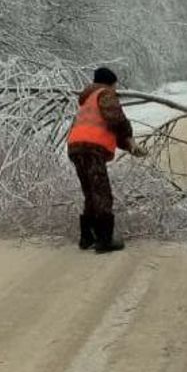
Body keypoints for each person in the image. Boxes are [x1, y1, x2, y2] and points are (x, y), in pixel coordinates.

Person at [67, 67, 147, 253]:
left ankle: (87, 237)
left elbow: (105, 126)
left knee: (90, 191)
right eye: (115, 85)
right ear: (110, 82)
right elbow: (116, 119)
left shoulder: (87, 99)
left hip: (76, 147)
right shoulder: (105, 93)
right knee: (101, 192)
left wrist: (129, 147)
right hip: (92, 148)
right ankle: (105, 239)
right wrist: (129, 135)